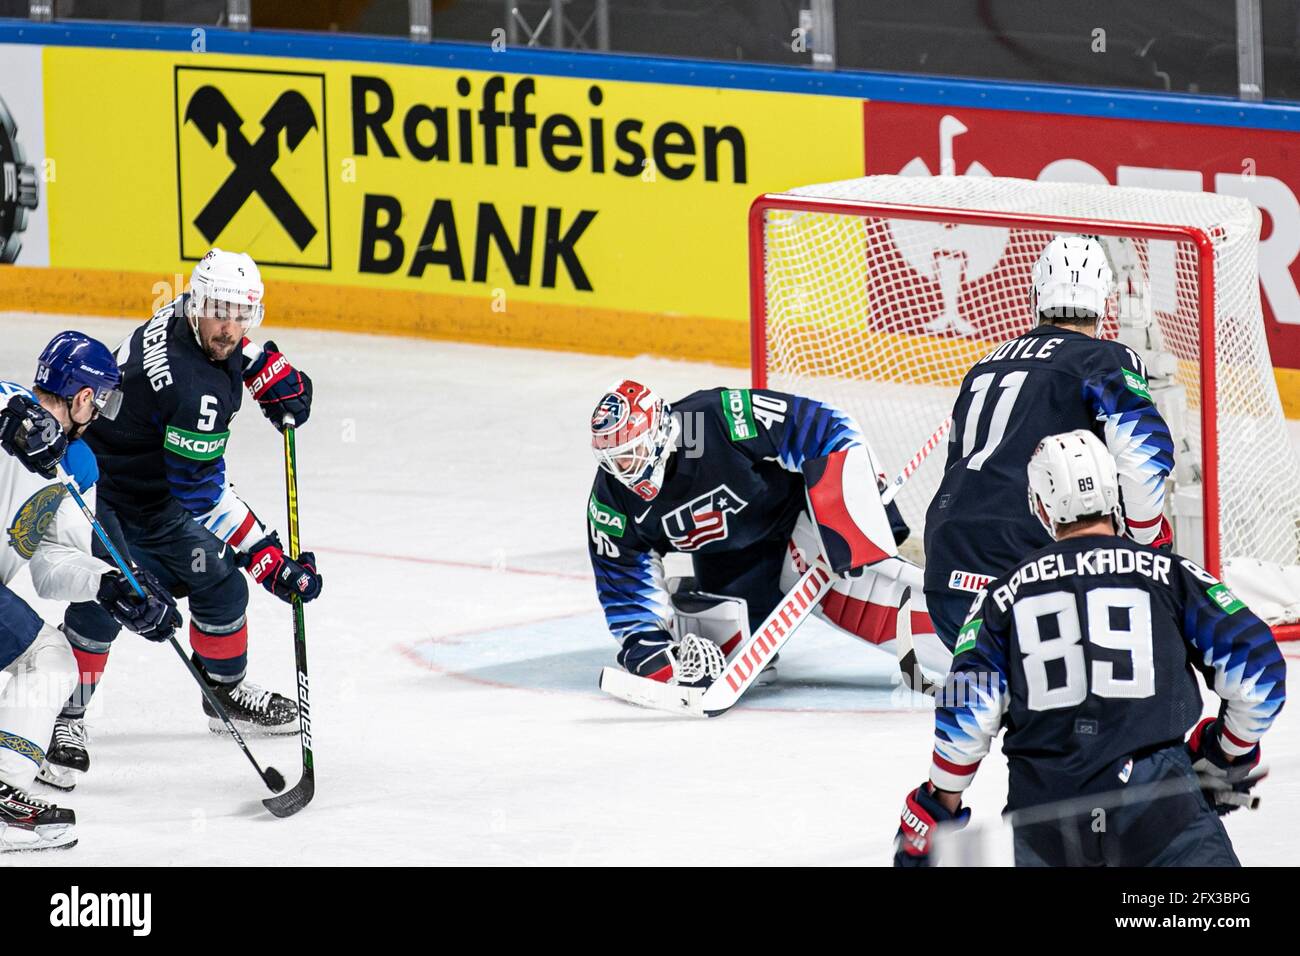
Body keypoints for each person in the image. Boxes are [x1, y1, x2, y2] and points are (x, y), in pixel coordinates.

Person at [894, 430, 1285, 867]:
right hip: (1159, 802)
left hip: (1047, 815)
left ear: (1040, 506)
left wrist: (937, 803)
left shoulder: (1000, 597)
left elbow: (966, 713)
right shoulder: (1170, 576)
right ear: (1113, 493)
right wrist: (1223, 754)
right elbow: (1260, 673)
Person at [39, 249, 322, 790]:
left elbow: (224, 347)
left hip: (152, 496)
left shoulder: (183, 317)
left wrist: (261, 364)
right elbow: (202, 494)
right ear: (199, 305)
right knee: (106, 600)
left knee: (219, 582)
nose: (231, 326)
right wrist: (268, 558)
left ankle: (223, 695)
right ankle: (63, 716)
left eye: (242, 315)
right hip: (101, 496)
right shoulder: (195, 393)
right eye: (221, 312)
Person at [587, 380, 949, 687]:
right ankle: (692, 596)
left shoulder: (708, 421)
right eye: (613, 459)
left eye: (631, 453)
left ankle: (980, 649)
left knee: (873, 591)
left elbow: (824, 426)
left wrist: (852, 518)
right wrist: (647, 644)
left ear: (661, 432)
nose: (624, 470)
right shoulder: (612, 500)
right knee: (728, 662)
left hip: (800, 518)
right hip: (732, 563)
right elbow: (623, 582)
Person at [923, 235, 1175, 650]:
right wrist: (1145, 542)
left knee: (997, 695)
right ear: (1105, 305)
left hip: (946, 565)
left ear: (1034, 296)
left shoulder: (985, 364)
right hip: (1030, 572)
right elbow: (1144, 454)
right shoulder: (1107, 359)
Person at [0, 331, 179, 847]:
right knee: (50, 658)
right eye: (101, 401)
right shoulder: (9, 403)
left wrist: (108, 584)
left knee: (50, 657)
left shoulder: (77, 466)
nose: (101, 412)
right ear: (84, 398)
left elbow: (50, 564)